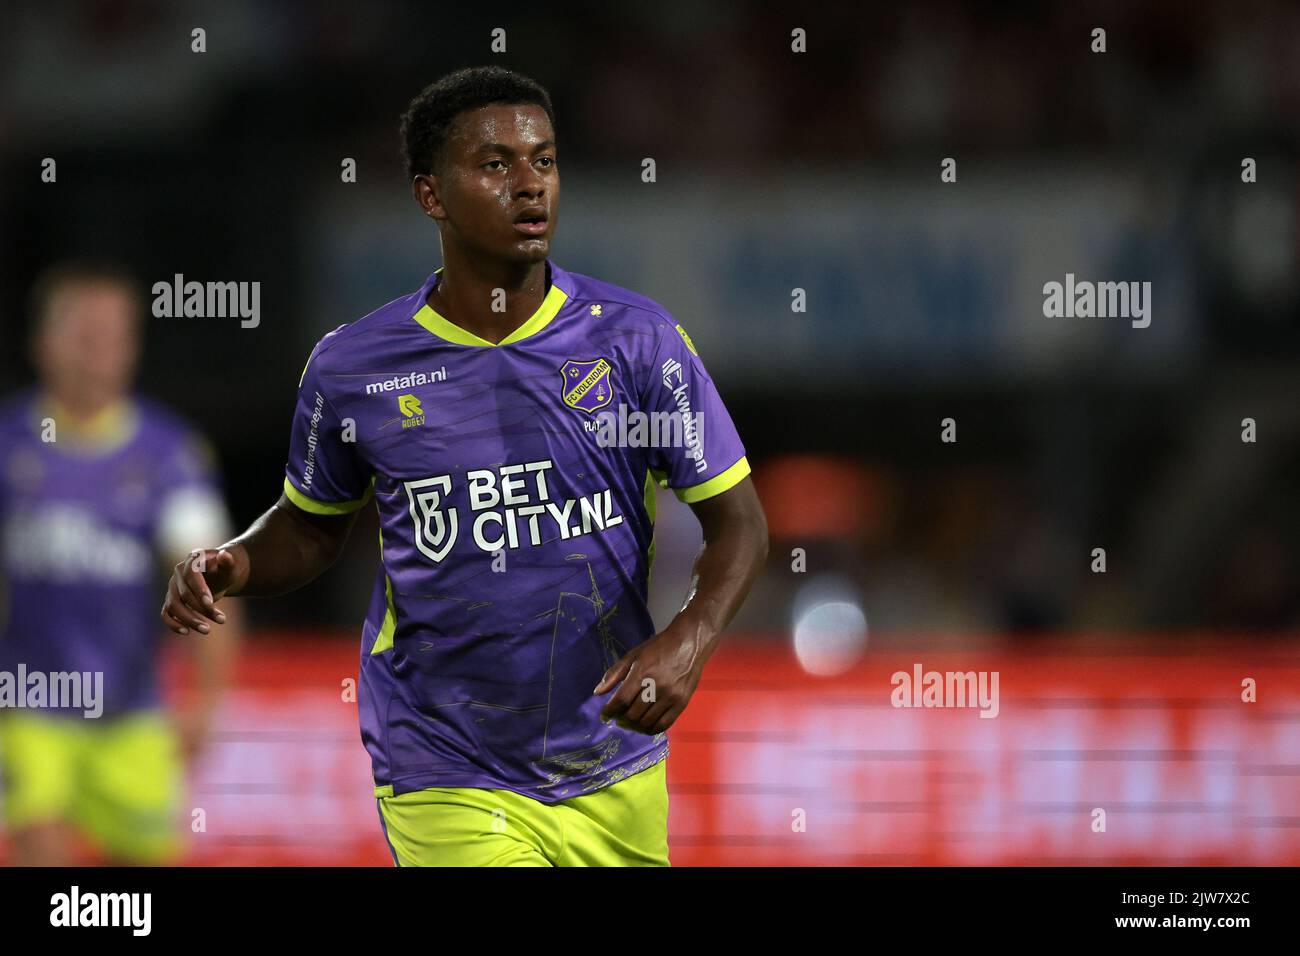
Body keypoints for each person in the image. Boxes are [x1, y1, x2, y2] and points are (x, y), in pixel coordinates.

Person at [161, 65, 768, 866]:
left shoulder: (635, 343)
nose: (530, 187)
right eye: (496, 165)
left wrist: (688, 641)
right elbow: (311, 529)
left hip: (608, 755)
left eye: (544, 162)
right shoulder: (355, 368)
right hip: (442, 757)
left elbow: (741, 523)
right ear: (430, 196)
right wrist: (235, 561)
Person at [0, 261, 238, 865]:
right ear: (42, 344)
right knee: (41, 851)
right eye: (84, 335)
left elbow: (211, 580)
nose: (100, 353)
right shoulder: (9, 447)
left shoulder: (167, 454)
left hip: (132, 713)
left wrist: (207, 700)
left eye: (114, 335)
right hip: (30, 710)